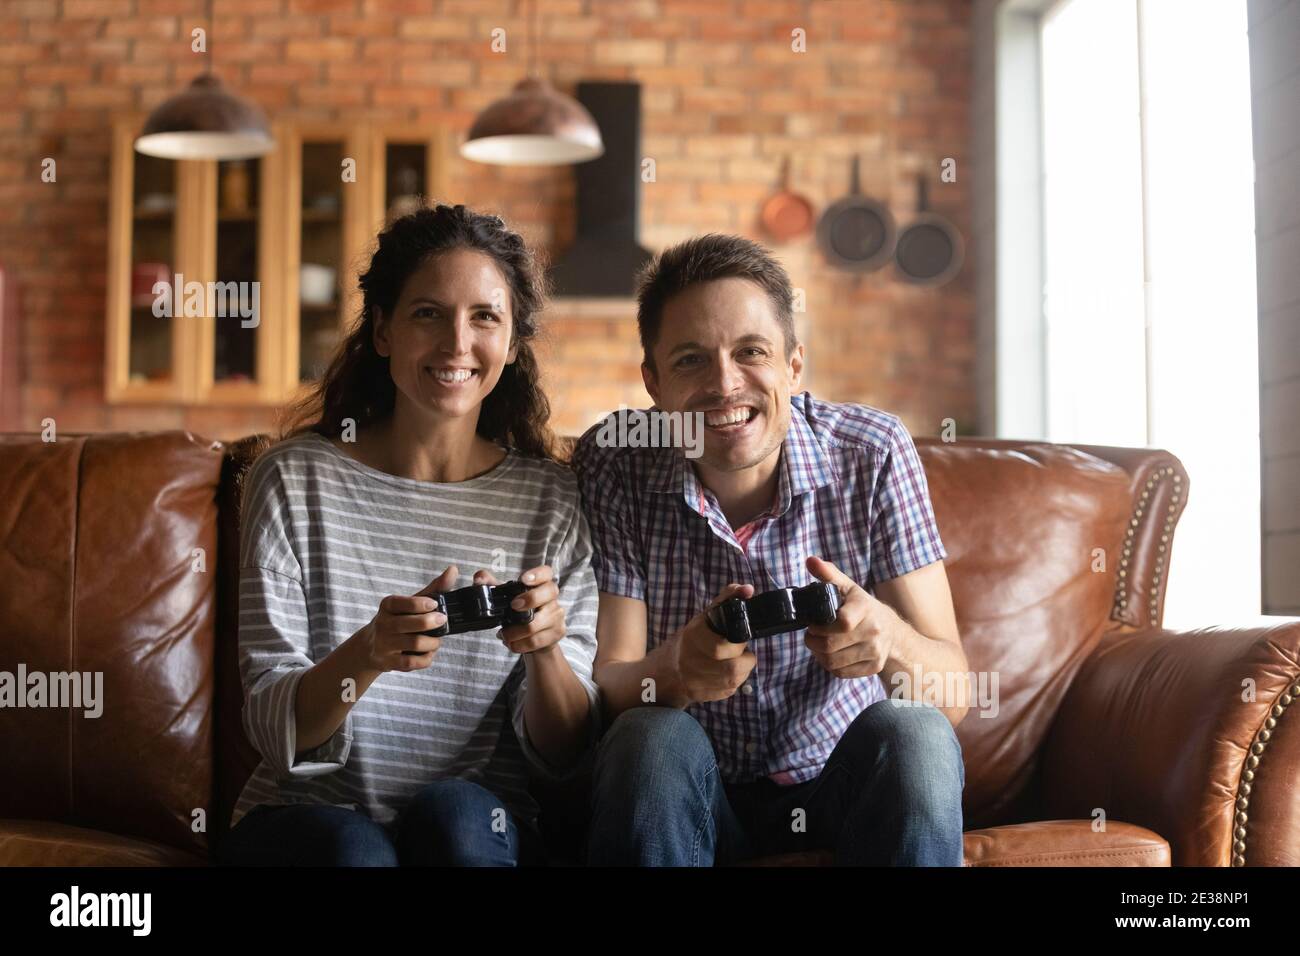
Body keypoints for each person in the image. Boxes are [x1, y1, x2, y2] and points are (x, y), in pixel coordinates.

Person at [220, 203, 600, 866]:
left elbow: (566, 755)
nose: (457, 342)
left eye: (484, 317)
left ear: (511, 344)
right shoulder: (294, 477)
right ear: (383, 331)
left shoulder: (553, 499)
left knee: (457, 818)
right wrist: (367, 653)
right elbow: (274, 728)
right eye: (428, 312)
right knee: (354, 851)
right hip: (310, 819)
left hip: (477, 827)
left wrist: (544, 652)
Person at [572, 233, 968, 866]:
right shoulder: (614, 461)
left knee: (916, 730)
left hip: (839, 781)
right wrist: (675, 671)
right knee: (647, 735)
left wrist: (887, 638)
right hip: (695, 788)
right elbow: (609, 687)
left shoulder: (874, 451)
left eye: (750, 351)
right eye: (690, 361)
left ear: (794, 365)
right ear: (652, 381)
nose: (724, 385)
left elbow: (952, 693)